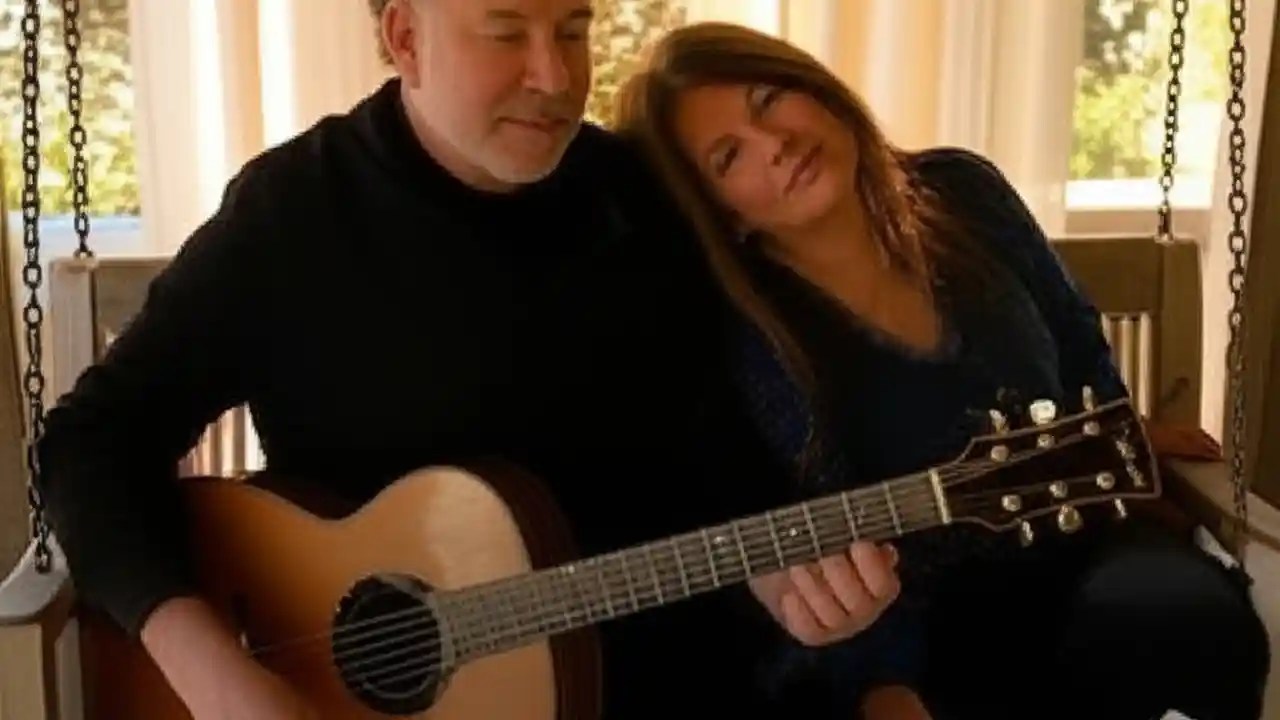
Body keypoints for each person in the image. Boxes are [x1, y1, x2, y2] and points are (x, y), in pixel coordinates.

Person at [31, 2, 877, 719]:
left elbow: (723, 456)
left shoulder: (640, 197)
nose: (554, 79)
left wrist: (787, 584)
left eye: (573, 29)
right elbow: (92, 440)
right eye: (506, 33)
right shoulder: (293, 215)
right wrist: (215, 677)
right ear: (405, 37)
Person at [615, 21, 1273, 720]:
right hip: (917, 625)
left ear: (817, 90)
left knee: (1182, 623)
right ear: (725, 214)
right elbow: (826, 549)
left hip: (1082, 549)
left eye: (770, 99)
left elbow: (1079, 346)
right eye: (729, 156)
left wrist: (1126, 443)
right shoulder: (754, 339)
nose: (775, 144)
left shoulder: (965, 191)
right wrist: (882, 686)